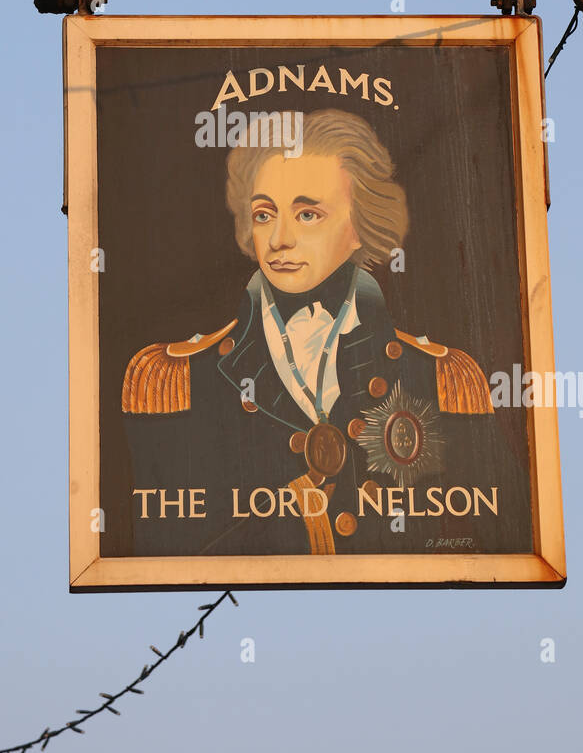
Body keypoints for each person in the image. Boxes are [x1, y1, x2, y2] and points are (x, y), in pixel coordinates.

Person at [121, 108, 504, 557]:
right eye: (265, 214)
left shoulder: (443, 380)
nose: (279, 239)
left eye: (307, 215)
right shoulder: (174, 380)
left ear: (361, 225)